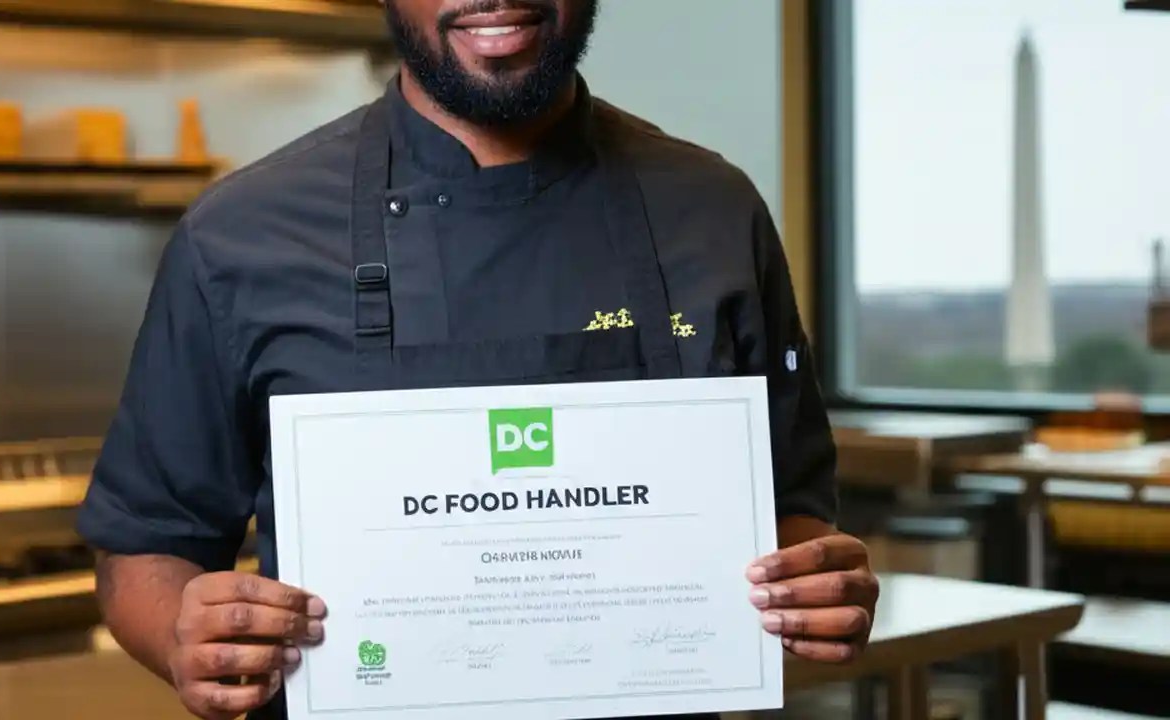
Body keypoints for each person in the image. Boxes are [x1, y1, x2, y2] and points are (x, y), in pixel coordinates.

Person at [75, 0, 879, 718]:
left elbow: (793, 511)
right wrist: (189, 638)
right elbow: (149, 543)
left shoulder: (714, 211)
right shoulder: (238, 237)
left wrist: (820, 586)